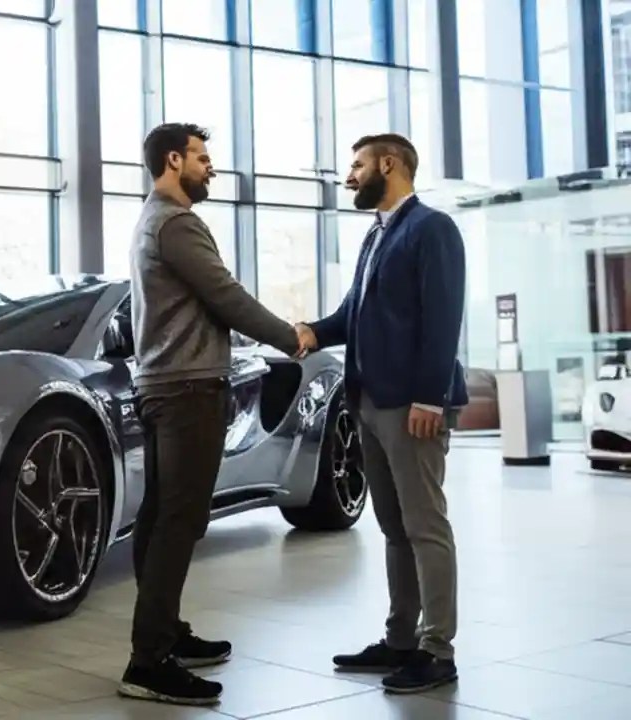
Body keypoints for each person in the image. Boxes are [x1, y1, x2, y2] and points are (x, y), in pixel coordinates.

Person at [118, 122, 308, 706]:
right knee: (180, 519)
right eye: (202, 158)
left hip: (163, 385)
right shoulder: (176, 222)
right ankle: (149, 661)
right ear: (173, 160)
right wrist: (288, 336)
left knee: (160, 517)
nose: (211, 168)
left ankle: (165, 632)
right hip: (188, 389)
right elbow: (224, 294)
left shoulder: (150, 220)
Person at [296, 132, 466, 694]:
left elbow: (443, 318)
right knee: (393, 528)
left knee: (425, 527)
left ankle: (437, 649)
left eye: (357, 165)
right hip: (368, 402)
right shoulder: (376, 235)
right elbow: (354, 314)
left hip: (411, 405)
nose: (349, 176)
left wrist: (430, 397)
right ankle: (400, 639)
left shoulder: (431, 228)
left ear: (388, 165)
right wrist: (311, 332)